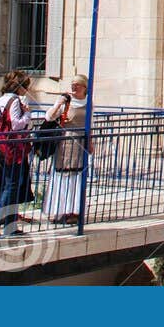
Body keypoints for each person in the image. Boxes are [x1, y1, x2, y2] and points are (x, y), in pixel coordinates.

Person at [0, 70, 35, 239]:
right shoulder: (15, 101)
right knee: (12, 186)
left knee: (12, 184)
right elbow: (16, 125)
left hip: (0, 146)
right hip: (12, 149)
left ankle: (10, 226)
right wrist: (28, 114)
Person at [41, 74, 91, 224]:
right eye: (72, 84)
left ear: (84, 87)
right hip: (65, 142)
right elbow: (49, 117)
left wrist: (91, 142)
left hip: (80, 142)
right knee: (62, 176)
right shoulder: (65, 102)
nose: (74, 87)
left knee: (76, 177)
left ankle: (74, 211)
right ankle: (58, 210)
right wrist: (59, 103)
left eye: (77, 84)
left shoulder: (89, 103)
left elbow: (91, 122)